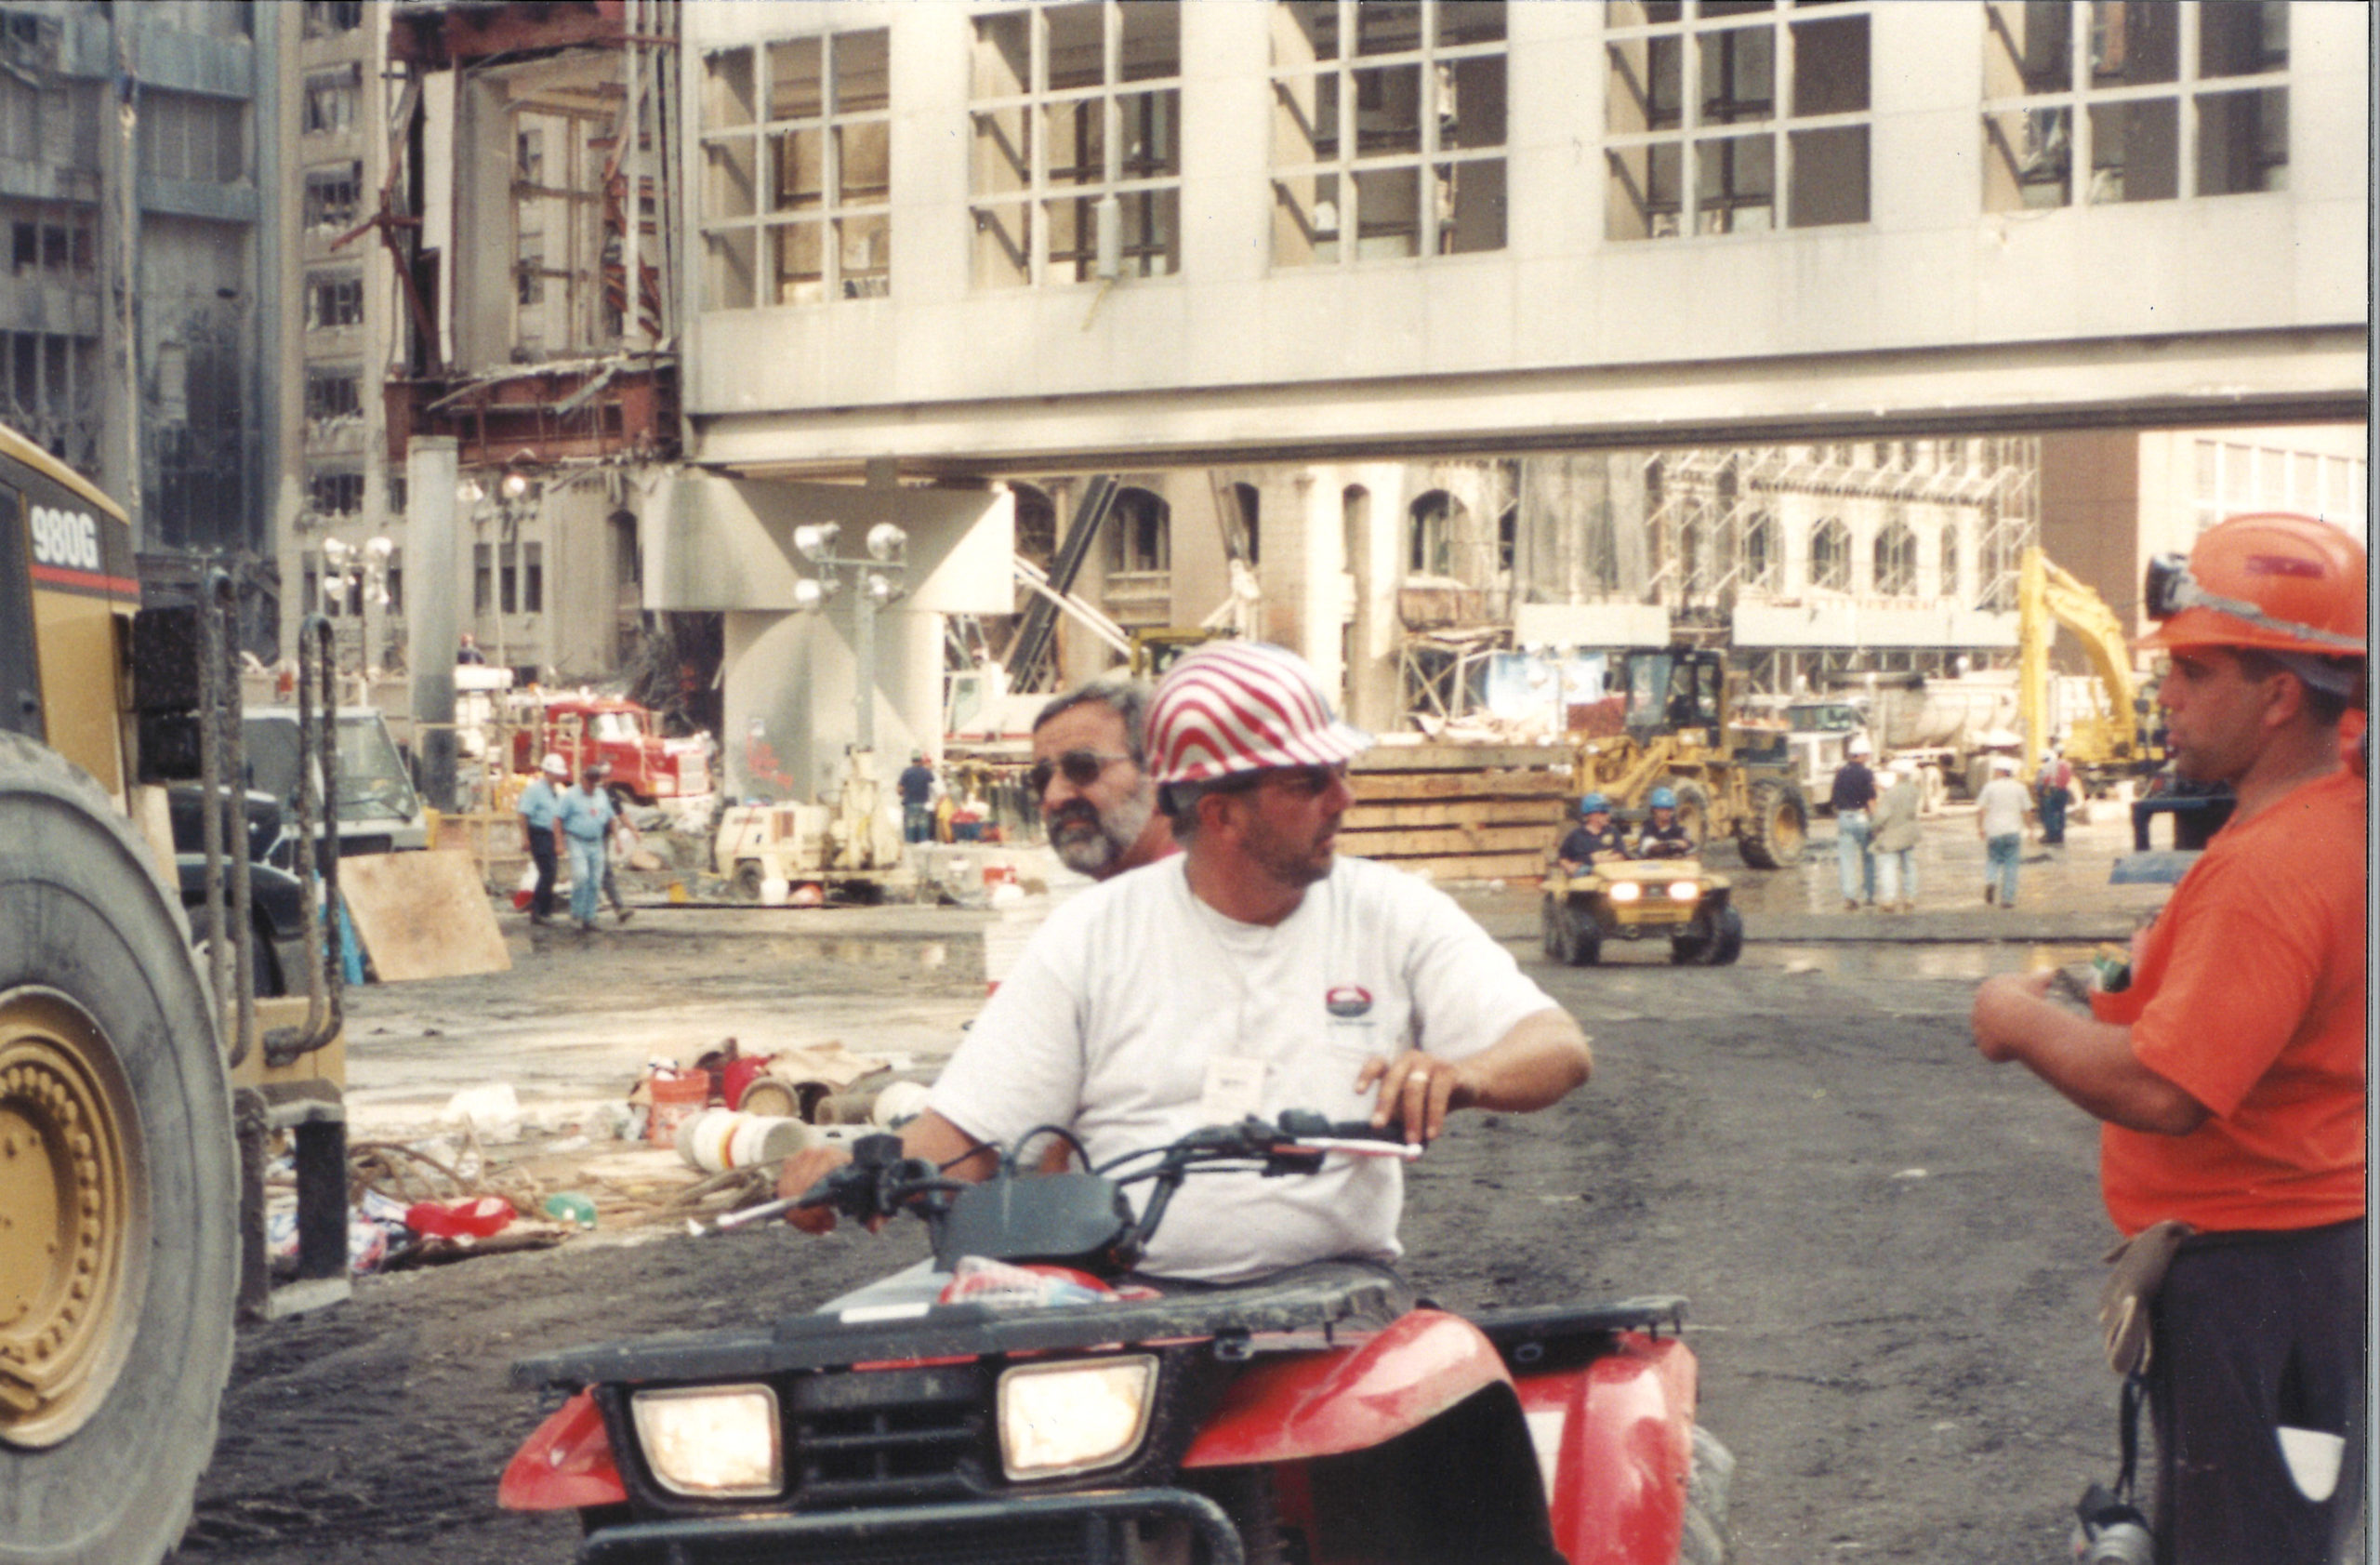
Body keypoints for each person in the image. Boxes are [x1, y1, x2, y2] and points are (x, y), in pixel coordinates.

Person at [779, 641, 1592, 1283]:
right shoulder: (1089, 935)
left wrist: (1465, 1075)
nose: (1344, 799)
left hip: (1334, 1300)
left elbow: (1558, 1046)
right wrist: (850, 1165)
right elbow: (966, 1138)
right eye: (1311, 780)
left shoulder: (1393, 910)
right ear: (1222, 812)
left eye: (1340, 775)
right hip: (1121, 1301)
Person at [1971, 513, 2366, 1565]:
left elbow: (2163, 1090)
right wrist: (2144, 978)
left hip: (2252, 1278)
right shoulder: (2327, 822)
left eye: (2192, 669)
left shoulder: (2274, 865)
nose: (2166, 693)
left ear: (2280, 693)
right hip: (2292, 1268)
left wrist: (2016, 1020)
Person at [1028, 676, 1177, 880]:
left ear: (1157, 774)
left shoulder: (1210, 895)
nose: (1054, 796)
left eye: (1081, 768)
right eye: (1041, 780)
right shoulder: (1120, 902)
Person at [555, 765, 616, 933]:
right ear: (583, 780)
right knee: (581, 876)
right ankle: (577, 913)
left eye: (594, 784)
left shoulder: (601, 795)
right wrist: (559, 842)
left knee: (595, 880)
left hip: (596, 841)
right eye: (589, 783)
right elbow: (558, 819)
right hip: (577, 839)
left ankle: (590, 917)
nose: (591, 787)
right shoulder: (570, 796)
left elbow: (611, 817)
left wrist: (617, 839)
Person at [517, 753, 567, 925]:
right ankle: (538, 911)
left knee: (551, 873)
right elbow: (523, 814)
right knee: (547, 872)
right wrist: (525, 837)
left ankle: (544, 909)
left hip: (550, 835)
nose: (558, 776)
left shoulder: (555, 792)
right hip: (539, 833)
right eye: (555, 773)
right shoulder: (535, 790)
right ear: (547, 772)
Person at [1974, 755, 2030, 908]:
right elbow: (2027, 810)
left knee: (1993, 860)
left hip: (1994, 831)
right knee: (2011, 865)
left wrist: (1980, 828)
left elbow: (1980, 809)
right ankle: (2007, 899)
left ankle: (1991, 881)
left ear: (2000, 771)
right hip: (2013, 831)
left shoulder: (1989, 787)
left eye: (1995, 770)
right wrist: (2030, 828)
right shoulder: (2020, 788)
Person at [1830, 736, 1879, 910]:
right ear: (1863, 755)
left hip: (1844, 818)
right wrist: (1877, 821)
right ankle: (1868, 895)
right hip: (1862, 818)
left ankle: (1850, 897)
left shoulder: (1840, 773)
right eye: (1868, 754)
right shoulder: (1866, 774)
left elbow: (1833, 798)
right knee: (1869, 858)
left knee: (1846, 861)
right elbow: (1871, 800)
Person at [1871, 759, 1921, 913]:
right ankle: (1910, 897)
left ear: (1898, 774)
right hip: (1909, 833)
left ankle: (1889, 900)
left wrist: (1873, 827)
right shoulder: (1914, 790)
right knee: (1909, 866)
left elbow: (1882, 816)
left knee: (1888, 867)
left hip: (1892, 834)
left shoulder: (1891, 793)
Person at [591, 763, 638, 925]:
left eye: (607, 777)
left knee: (604, 870)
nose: (604, 780)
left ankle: (617, 907)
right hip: (588, 837)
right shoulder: (590, 793)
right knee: (596, 871)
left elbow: (618, 815)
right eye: (602, 777)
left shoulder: (610, 794)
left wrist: (632, 831)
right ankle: (589, 909)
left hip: (603, 836)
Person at [1554, 792, 1628, 873]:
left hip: (1610, 874)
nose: (1607, 816)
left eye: (1607, 813)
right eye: (1603, 813)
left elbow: (1621, 855)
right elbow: (1563, 857)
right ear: (1592, 815)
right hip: (1587, 877)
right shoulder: (1576, 836)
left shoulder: (1612, 832)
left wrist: (1600, 860)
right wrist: (1569, 866)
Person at [1632, 786, 1694, 859]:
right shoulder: (1648, 829)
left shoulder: (1679, 830)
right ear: (1655, 810)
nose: (1666, 813)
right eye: (1662, 809)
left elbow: (1691, 849)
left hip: (1676, 866)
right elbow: (1648, 846)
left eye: (1669, 809)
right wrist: (1671, 842)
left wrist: (1685, 846)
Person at [2035, 744, 2074, 846]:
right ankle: (2060, 835)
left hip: (2052, 791)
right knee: (2061, 813)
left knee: (2050, 813)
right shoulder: (2067, 764)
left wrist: (2041, 790)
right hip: (2063, 791)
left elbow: (2045, 779)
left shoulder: (2048, 765)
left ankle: (2050, 835)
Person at [897, 751, 937, 845]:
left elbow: (899, 790)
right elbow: (933, 784)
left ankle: (910, 851)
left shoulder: (906, 772)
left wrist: (905, 792)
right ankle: (923, 849)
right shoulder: (926, 772)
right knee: (923, 828)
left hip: (910, 804)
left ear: (912, 760)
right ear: (921, 761)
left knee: (910, 828)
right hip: (924, 804)